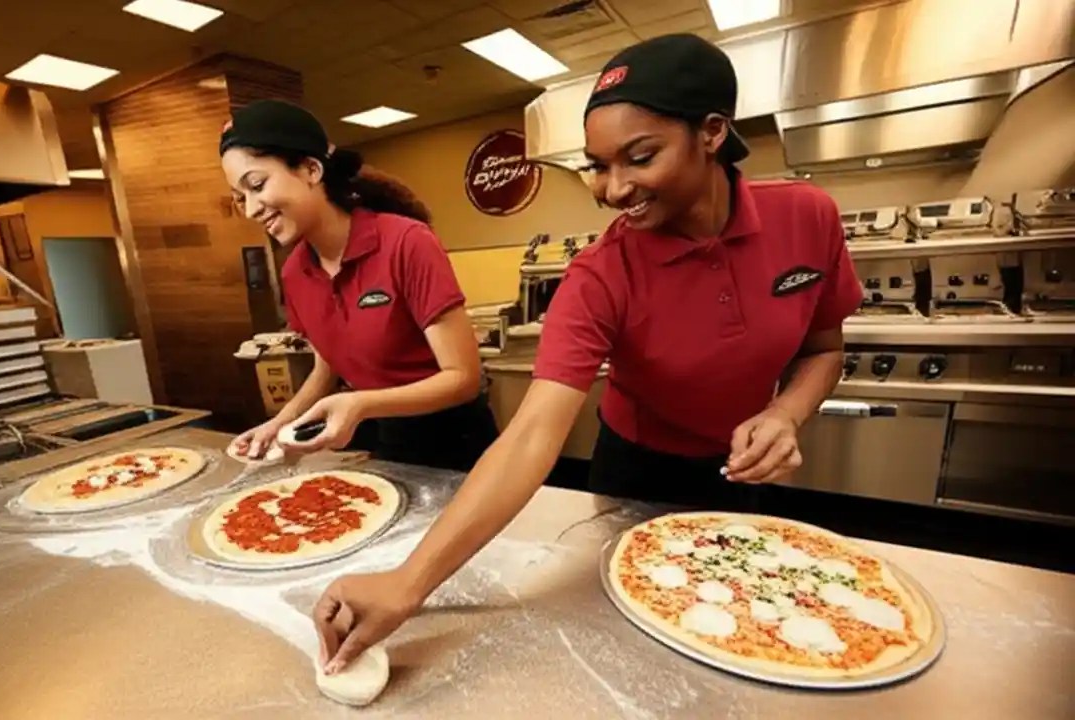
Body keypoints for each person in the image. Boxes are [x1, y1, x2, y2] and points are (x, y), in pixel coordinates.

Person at [312, 34, 864, 673]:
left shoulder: (808, 216)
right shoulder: (600, 275)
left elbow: (823, 348)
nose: (612, 188)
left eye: (639, 157)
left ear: (712, 132)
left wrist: (785, 414)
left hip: (740, 473)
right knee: (635, 646)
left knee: (739, 627)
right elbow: (529, 438)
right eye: (598, 166)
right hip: (634, 472)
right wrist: (407, 584)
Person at [220, 100, 498, 471]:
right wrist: (279, 424)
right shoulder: (295, 273)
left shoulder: (406, 242)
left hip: (459, 438)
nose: (252, 209)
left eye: (257, 185)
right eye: (241, 199)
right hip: (391, 438)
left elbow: (462, 378)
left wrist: (361, 403)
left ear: (310, 169)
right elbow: (327, 368)